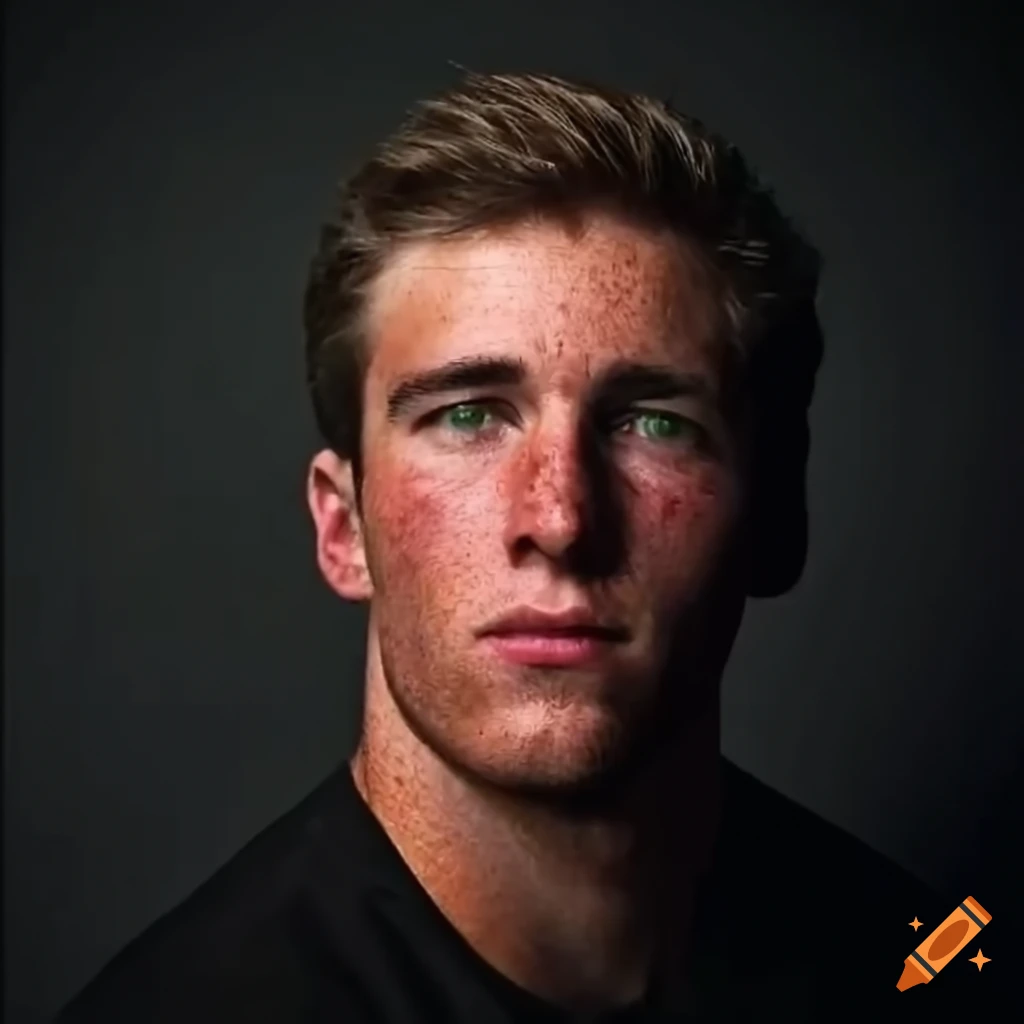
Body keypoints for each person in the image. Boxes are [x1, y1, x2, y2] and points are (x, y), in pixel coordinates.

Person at [57, 69, 975, 1022]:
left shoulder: (935, 960)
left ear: (778, 515)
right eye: (467, 415)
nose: (562, 518)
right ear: (343, 527)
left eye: (652, 423)